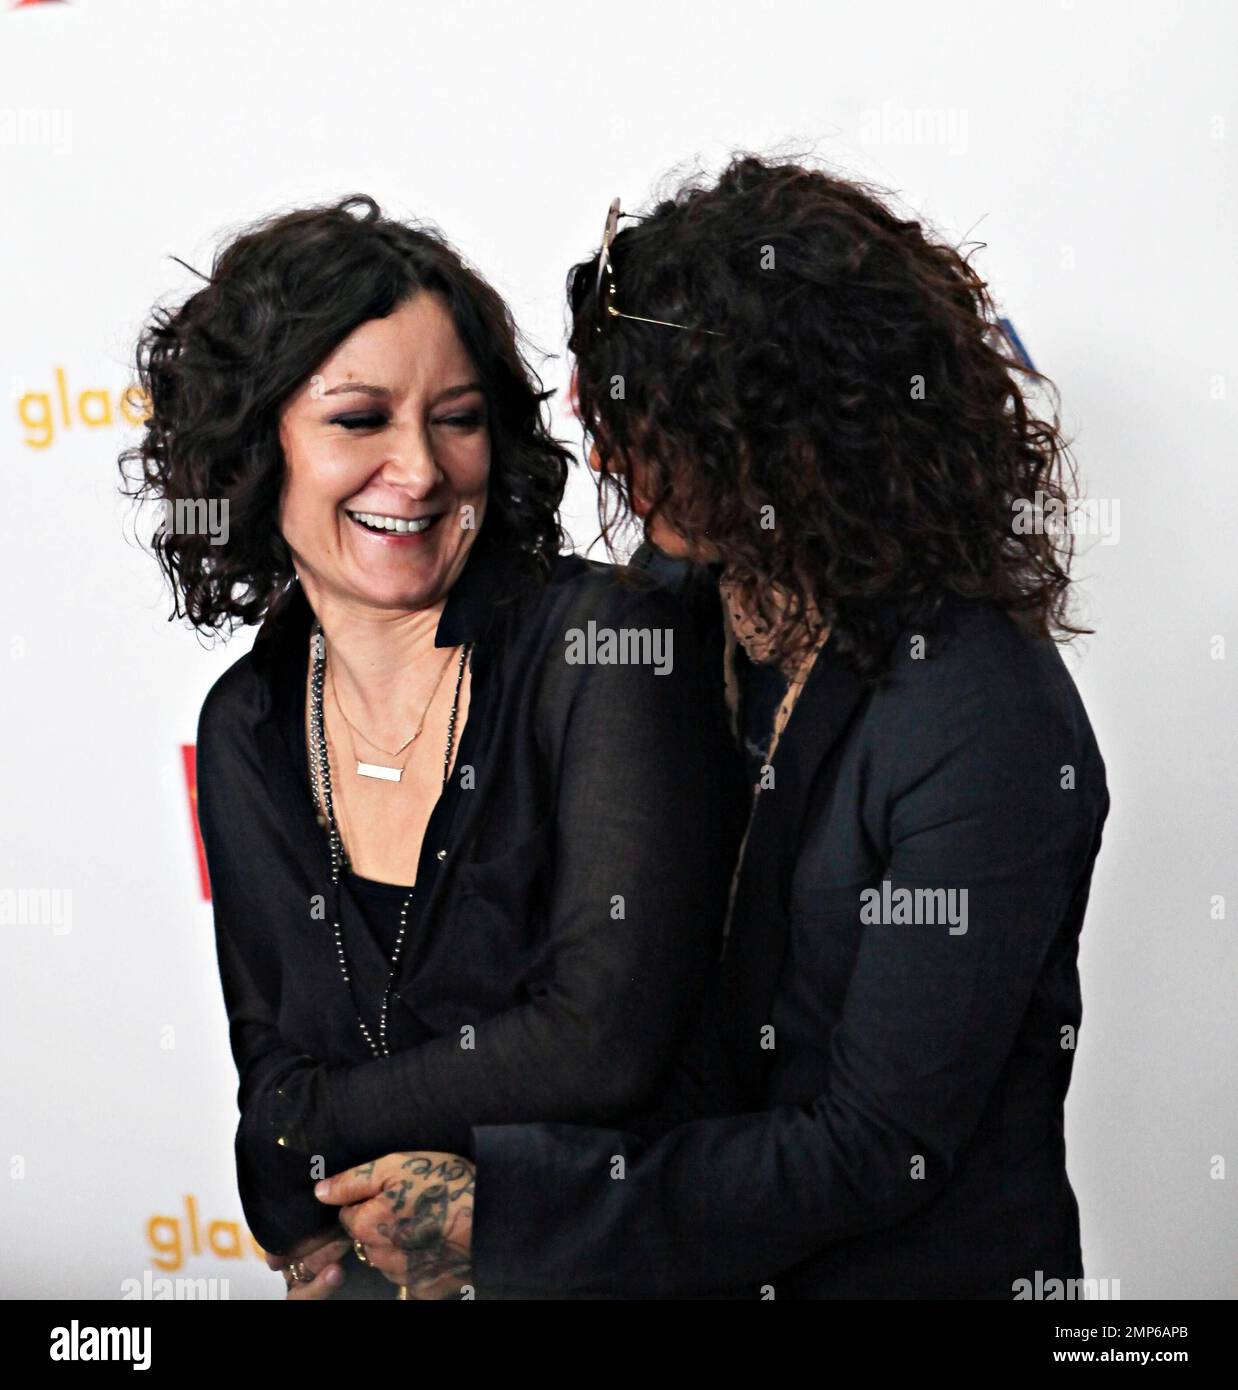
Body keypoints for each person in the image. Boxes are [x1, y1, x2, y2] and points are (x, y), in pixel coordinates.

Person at [317, 156, 1110, 1299]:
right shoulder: (690, 607)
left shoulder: (981, 719)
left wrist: (513, 1207)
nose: (606, 456)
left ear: (777, 437)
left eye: (645, 420)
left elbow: (873, 1148)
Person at [120, 195, 742, 1299]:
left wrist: (303, 1129)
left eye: (454, 418)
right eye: (358, 419)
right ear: (257, 444)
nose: (417, 470)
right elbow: (270, 1088)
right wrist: (304, 1155)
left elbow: (598, 1045)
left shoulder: (603, 647)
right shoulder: (248, 721)